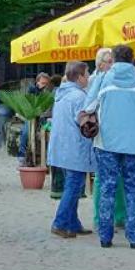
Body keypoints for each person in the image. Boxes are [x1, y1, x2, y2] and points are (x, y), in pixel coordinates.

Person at [84, 44, 135, 249]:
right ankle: (134, 237)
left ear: (113, 59)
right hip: (134, 144)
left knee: (107, 187)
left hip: (106, 143)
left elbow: (88, 107)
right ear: (132, 60)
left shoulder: (102, 80)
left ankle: (105, 237)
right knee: (133, 190)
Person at [45, 61, 94, 238]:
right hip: (75, 147)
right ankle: (60, 222)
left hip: (62, 147)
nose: (89, 77)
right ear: (80, 77)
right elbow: (84, 123)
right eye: (87, 73)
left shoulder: (62, 94)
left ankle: (73, 223)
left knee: (72, 184)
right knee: (74, 186)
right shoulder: (79, 97)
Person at [17, 71, 51, 162]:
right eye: (43, 83)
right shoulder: (31, 90)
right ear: (37, 82)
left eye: (46, 83)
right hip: (32, 117)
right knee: (25, 132)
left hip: (44, 118)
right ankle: (22, 154)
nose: (44, 85)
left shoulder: (48, 92)